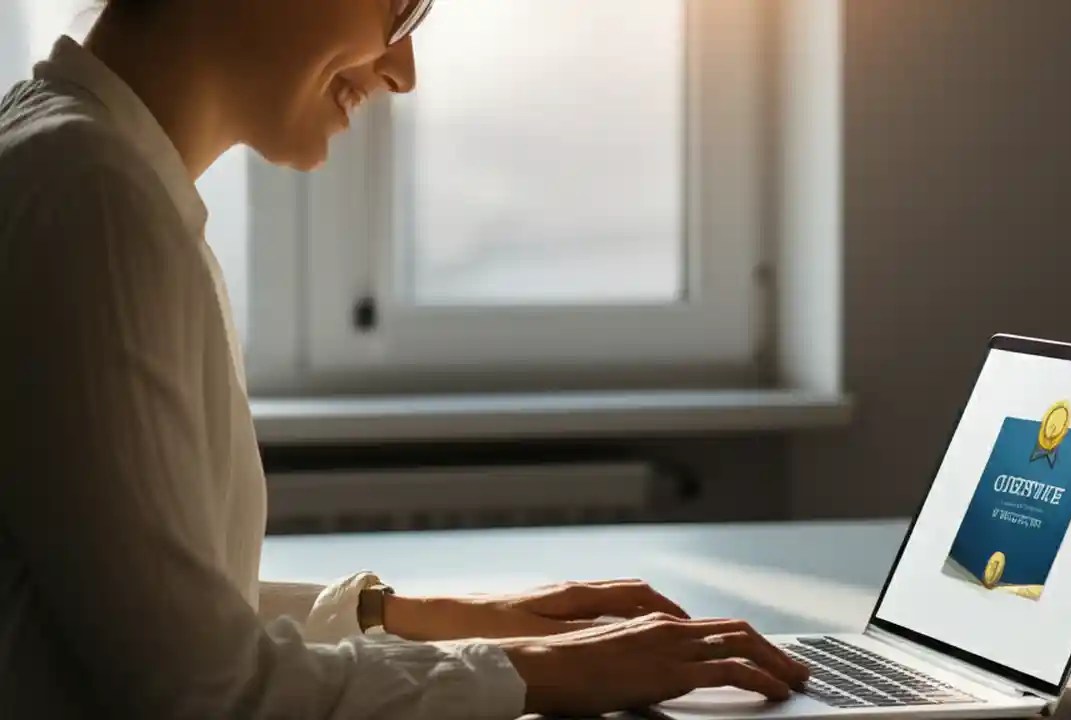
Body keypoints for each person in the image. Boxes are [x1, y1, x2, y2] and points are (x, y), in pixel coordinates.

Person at [0, 0, 808, 717]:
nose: (403, 70)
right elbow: (201, 690)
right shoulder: (92, 196)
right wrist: (539, 673)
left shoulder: (78, 161)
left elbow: (146, 618)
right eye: (401, 6)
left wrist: (418, 618)